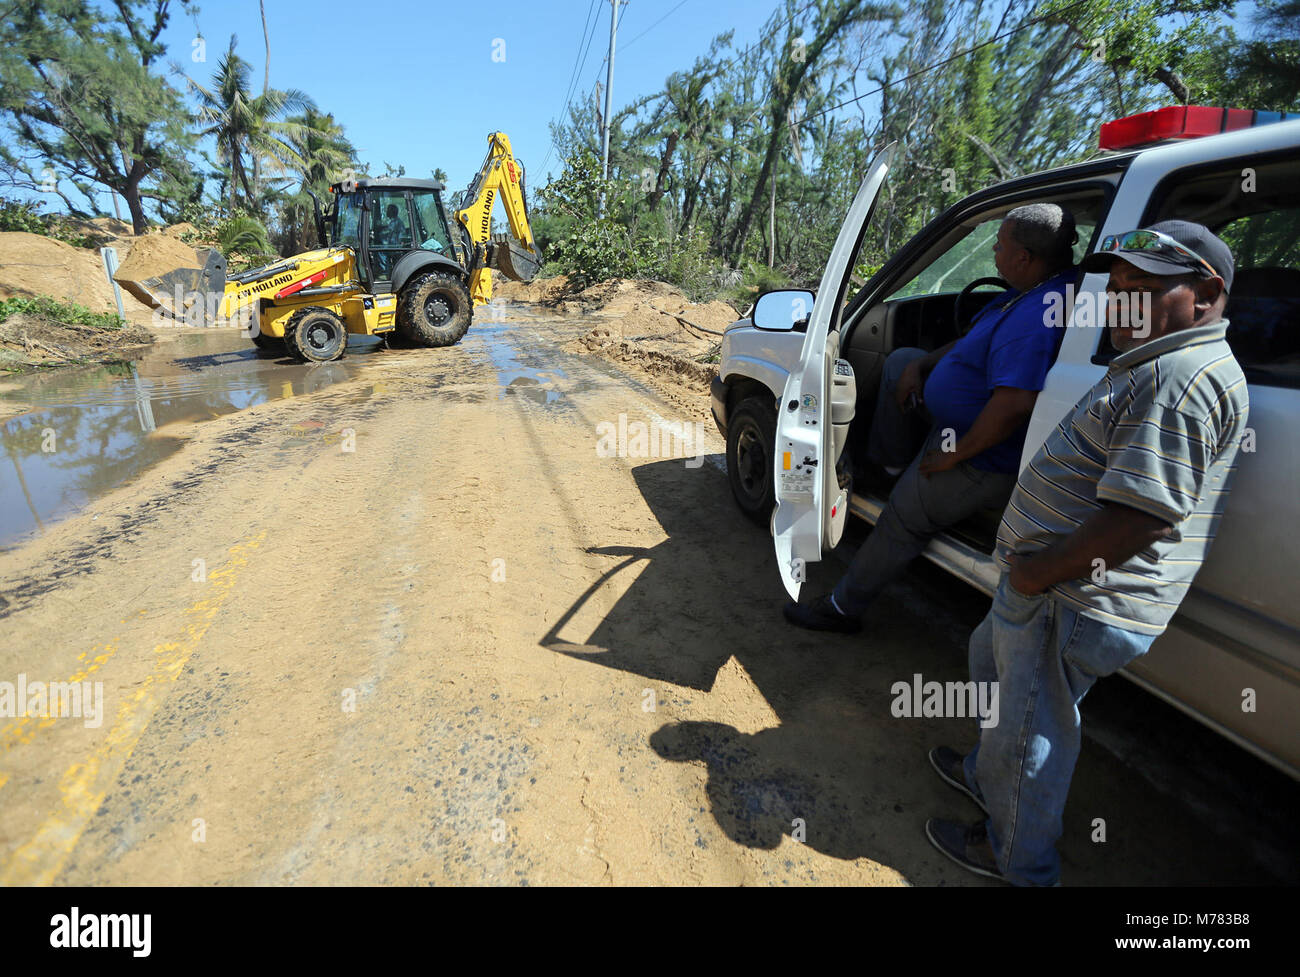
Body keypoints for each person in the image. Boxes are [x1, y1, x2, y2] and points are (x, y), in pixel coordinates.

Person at [925, 220, 1249, 886]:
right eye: (1116, 284)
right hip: (1051, 588)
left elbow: (1137, 517)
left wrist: (1039, 571)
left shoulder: (1180, 378)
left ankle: (1017, 858)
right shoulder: (1168, 361)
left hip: (1068, 595)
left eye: (1142, 286)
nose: (1118, 299)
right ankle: (988, 776)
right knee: (992, 668)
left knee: (1028, 731)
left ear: (1207, 291)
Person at [784, 203, 1079, 633]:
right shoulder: (1032, 291)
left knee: (903, 518)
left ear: (1023, 259)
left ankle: (843, 608)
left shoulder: (1037, 318)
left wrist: (954, 455)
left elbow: (1013, 405)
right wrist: (919, 367)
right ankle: (890, 467)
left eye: (1000, 245)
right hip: (954, 427)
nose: (994, 251)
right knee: (901, 358)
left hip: (978, 455)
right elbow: (972, 341)